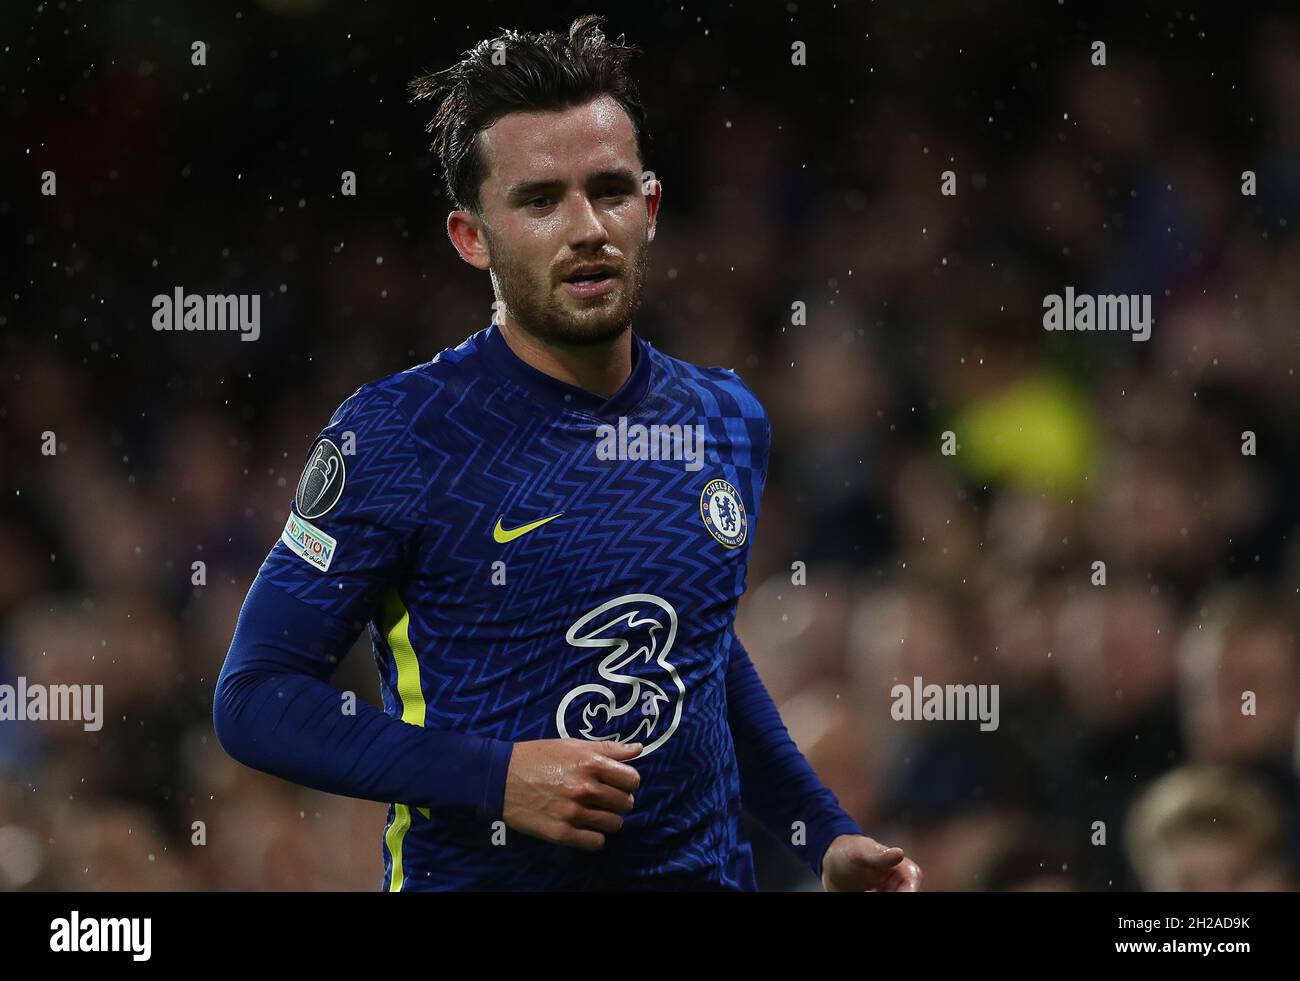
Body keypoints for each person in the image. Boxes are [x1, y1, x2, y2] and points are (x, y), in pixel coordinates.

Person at [213, 14, 921, 893]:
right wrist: (495, 778)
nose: (587, 226)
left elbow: (699, 657)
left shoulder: (725, 418)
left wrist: (821, 831)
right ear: (473, 237)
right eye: (541, 200)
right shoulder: (399, 435)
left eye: (610, 190)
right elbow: (256, 698)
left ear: (650, 209)